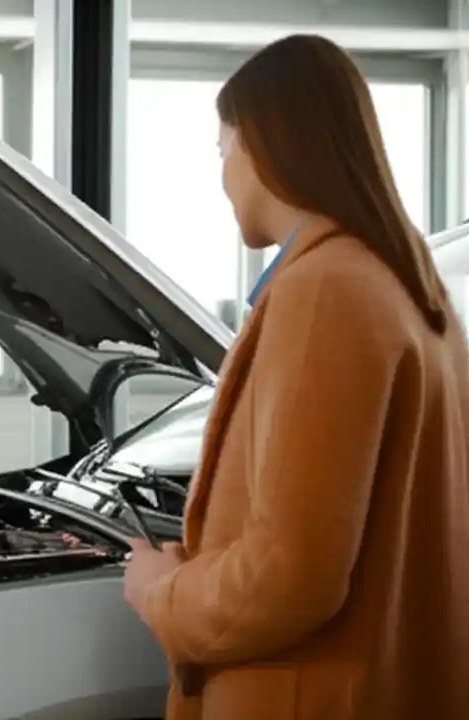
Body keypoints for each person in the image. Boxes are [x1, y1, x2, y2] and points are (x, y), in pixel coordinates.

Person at [122, 34, 469, 720]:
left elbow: (290, 577)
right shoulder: (413, 289)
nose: (221, 176)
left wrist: (162, 591)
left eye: (222, 150)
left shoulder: (325, 291)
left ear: (262, 144)